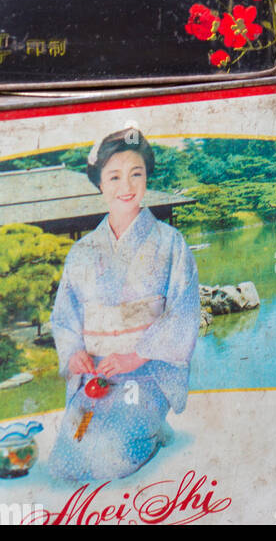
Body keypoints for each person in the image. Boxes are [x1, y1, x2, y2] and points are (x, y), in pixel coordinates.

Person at [48, 127, 200, 483]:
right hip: (97, 375)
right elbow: (65, 317)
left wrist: (137, 355)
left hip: (147, 372)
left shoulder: (170, 243)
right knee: (66, 460)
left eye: (136, 174)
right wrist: (74, 354)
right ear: (100, 183)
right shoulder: (82, 251)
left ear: (147, 177)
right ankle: (142, 430)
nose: (126, 186)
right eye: (114, 176)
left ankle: (155, 428)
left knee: (113, 456)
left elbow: (184, 312)